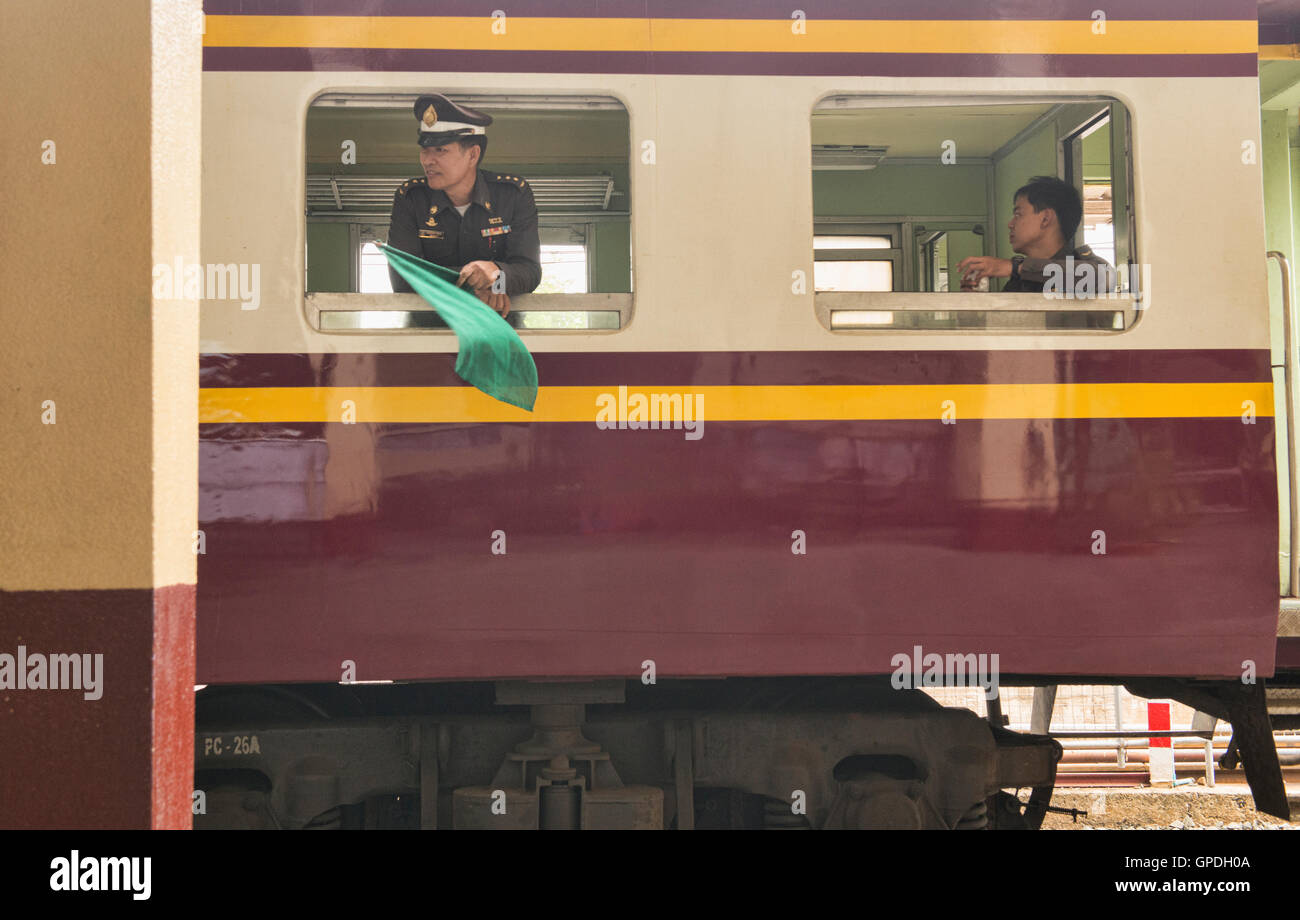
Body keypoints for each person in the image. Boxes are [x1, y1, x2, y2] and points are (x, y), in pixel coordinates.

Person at [387, 93, 541, 316]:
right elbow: (402, 279)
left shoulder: (513, 194)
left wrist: (496, 275)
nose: (427, 160)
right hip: (428, 330)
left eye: (440, 150)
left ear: (473, 155)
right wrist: (473, 285)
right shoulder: (411, 198)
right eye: (425, 149)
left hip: (498, 325)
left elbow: (530, 271)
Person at [956, 175, 1114, 296]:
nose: (1010, 224)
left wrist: (1015, 267)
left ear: (1045, 218)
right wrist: (975, 301)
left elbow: (1102, 278)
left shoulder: (1088, 267)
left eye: (1018, 214)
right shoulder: (1019, 282)